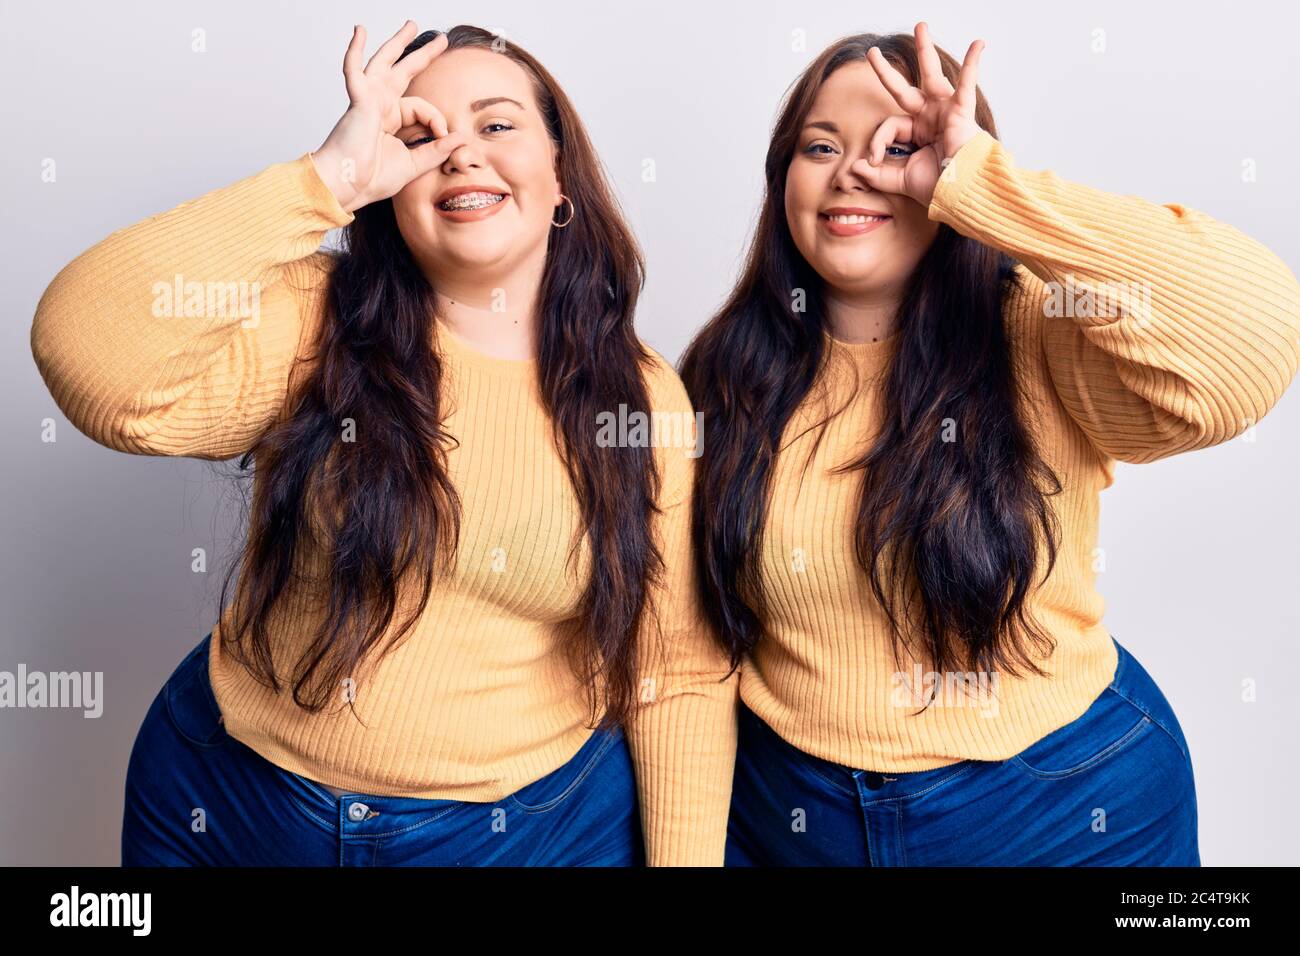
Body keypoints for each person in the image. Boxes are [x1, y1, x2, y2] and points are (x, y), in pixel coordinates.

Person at [31, 21, 737, 866]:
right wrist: (324, 180)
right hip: (233, 806)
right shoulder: (316, 321)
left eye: (498, 125)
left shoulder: (642, 397)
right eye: (420, 133)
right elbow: (87, 358)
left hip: (517, 836)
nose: (460, 153)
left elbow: (678, 671)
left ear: (561, 183)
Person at [679, 21, 1300, 865]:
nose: (854, 170)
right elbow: (694, 633)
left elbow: (1254, 337)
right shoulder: (724, 373)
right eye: (819, 145)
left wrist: (979, 182)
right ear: (783, 178)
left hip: (1060, 806)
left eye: (899, 147)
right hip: (790, 814)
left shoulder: (1041, 334)